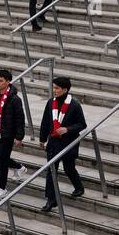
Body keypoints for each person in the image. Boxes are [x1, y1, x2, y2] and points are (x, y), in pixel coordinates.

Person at [38, 76, 87, 212]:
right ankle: (51, 200)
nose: (54, 90)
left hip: (68, 142)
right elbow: (45, 122)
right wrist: (42, 138)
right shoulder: (50, 103)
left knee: (68, 168)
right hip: (54, 142)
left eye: (57, 88)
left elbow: (82, 124)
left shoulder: (75, 105)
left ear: (65, 90)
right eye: (54, 87)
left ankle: (79, 187)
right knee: (51, 170)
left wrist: (67, 129)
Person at [0, 68, 27, 200]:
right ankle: (19, 167)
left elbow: (20, 118)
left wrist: (19, 136)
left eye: (1, 80)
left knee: (2, 161)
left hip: (7, 134)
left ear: (8, 82)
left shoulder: (14, 99)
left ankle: (2, 188)